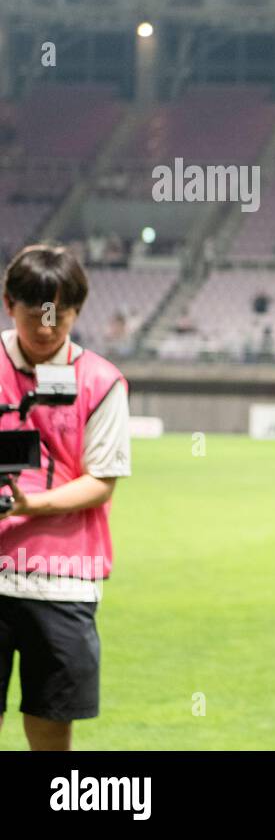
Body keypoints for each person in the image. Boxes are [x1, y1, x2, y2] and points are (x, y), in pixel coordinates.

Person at [0, 244, 131, 750]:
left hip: (61, 580)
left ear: (78, 310)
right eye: (36, 316)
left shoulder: (101, 381)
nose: (48, 329)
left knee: (51, 720)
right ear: (10, 304)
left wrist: (33, 505)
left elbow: (102, 479)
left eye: (63, 316)